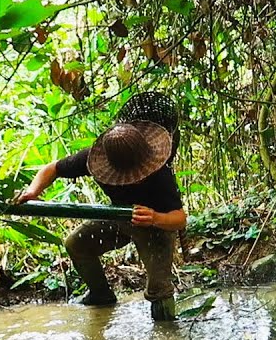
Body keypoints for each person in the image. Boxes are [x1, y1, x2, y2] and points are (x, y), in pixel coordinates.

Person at [12, 116, 185, 322]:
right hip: (118, 216)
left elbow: (180, 219)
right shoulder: (95, 159)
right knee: (76, 244)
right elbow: (52, 169)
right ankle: (101, 295)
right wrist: (32, 191)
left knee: (160, 288)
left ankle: (166, 328)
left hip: (157, 227)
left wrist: (155, 218)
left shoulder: (161, 173)